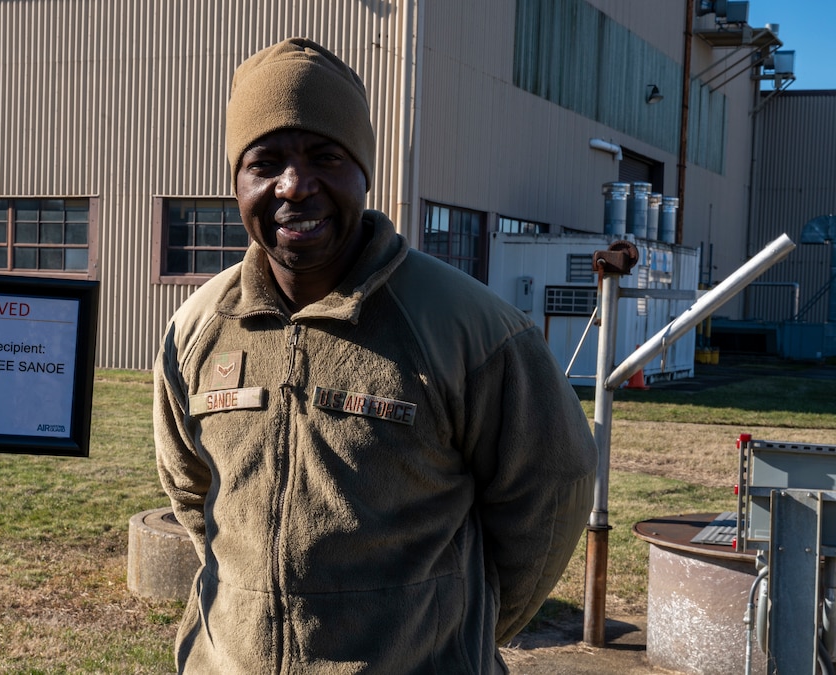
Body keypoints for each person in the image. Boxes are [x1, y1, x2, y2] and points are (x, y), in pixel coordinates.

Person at [153, 37, 597, 674]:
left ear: (363, 171)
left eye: (325, 157)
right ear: (238, 181)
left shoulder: (470, 329)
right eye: (265, 162)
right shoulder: (198, 328)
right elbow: (191, 489)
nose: (294, 186)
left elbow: (552, 493)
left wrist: (464, 628)